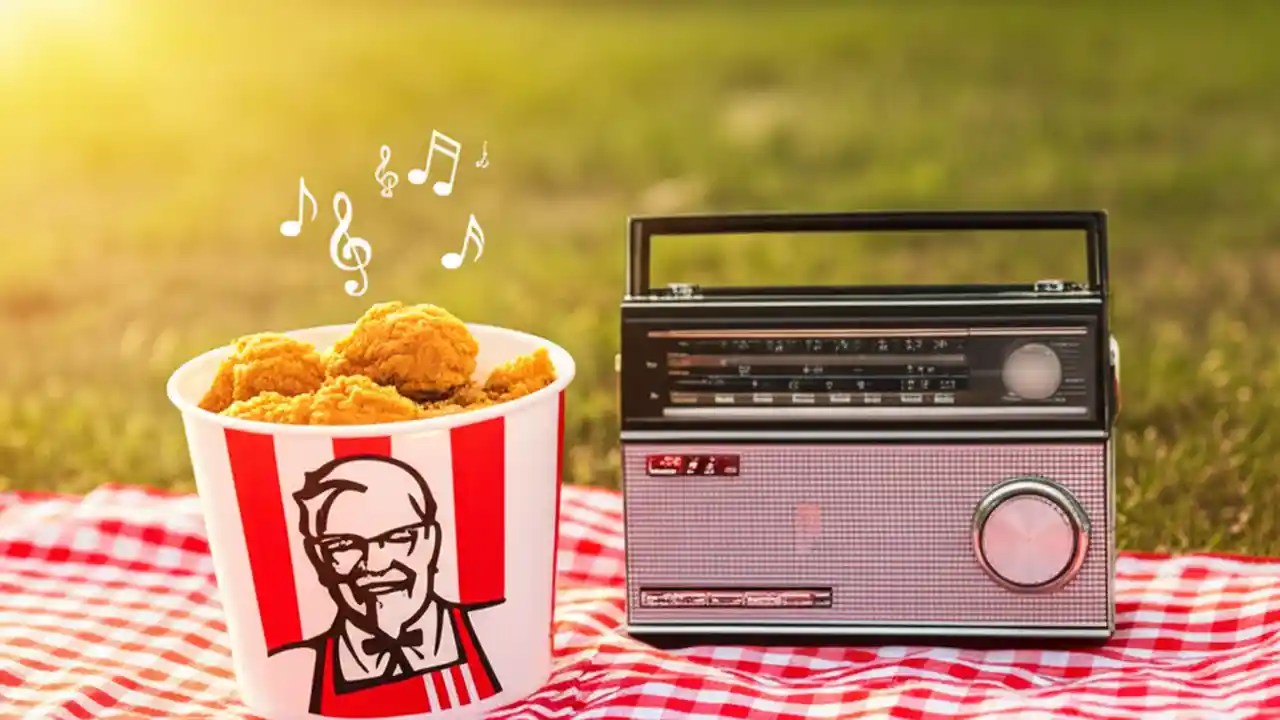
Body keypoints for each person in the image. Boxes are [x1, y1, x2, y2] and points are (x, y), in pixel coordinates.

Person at [270, 455, 501, 714]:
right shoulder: (293, 669)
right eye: (344, 544)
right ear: (319, 558)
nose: (376, 565)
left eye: (400, 537)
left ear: (431, 541)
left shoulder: (497, 633)